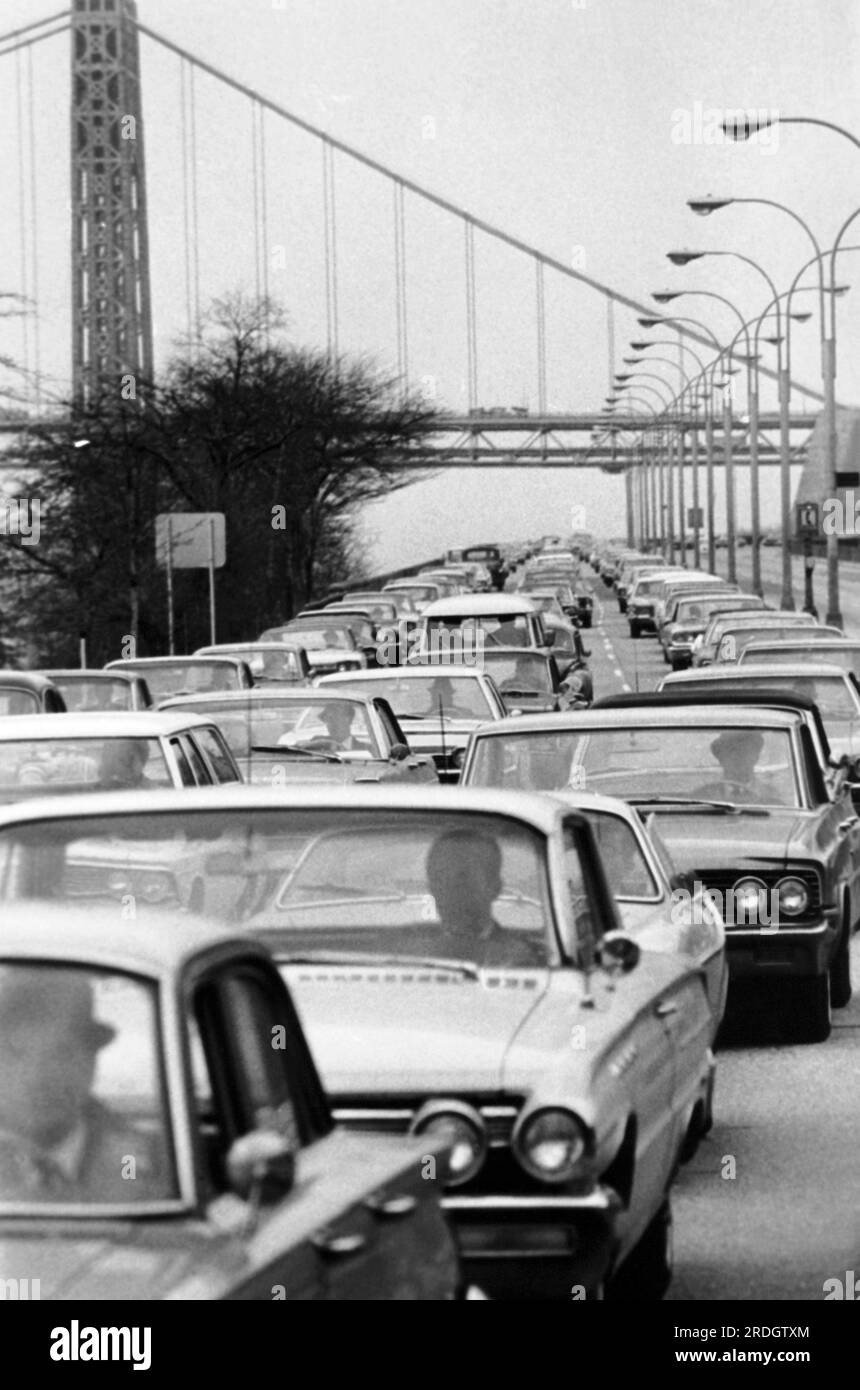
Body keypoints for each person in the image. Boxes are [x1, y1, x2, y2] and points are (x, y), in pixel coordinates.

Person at [0, 967, 169, 1202]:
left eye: (60, 1054)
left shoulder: (131, 1158)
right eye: (16, 1053)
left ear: (90, 1063)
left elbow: (135, 1192)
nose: (37, 1076)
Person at [425, 829, 543, 967]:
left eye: (463, 878)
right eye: (440, 878)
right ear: (430, 887)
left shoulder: (522, 960)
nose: (449, 889)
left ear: (495, 887)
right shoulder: (412, 955)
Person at [695, 729, 784, 805]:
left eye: (745, 751)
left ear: (756, 757)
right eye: (732, 751)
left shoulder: (771, 797)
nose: (738, 758)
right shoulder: (702, 797)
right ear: (720, 758)